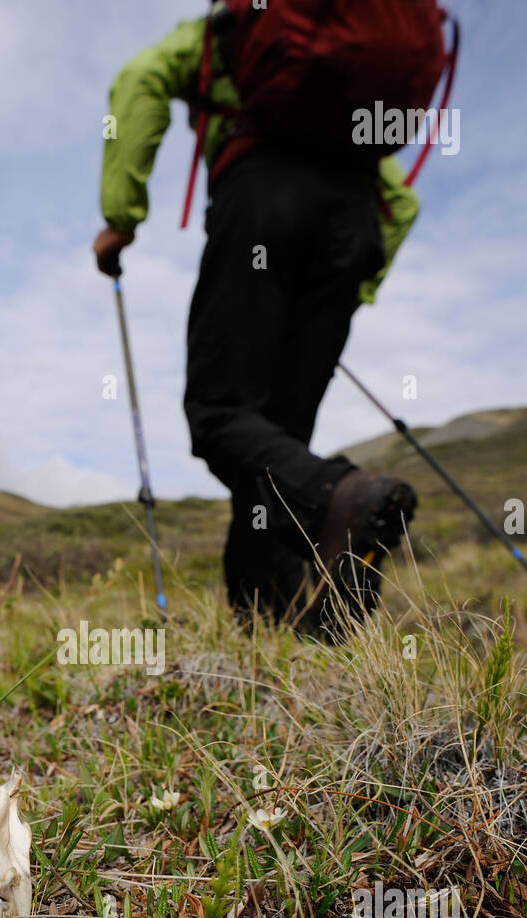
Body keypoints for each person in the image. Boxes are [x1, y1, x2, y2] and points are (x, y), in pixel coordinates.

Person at [94, 14, 420, 633]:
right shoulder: (342, 106)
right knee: (272, 444)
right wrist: (354, 288)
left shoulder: (231, 29)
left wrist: (122, 216)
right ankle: (277, 612)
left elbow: (140, 78)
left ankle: (341, 496)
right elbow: (403, 205)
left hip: (261, 203)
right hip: (350, 233)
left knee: (220, 416)